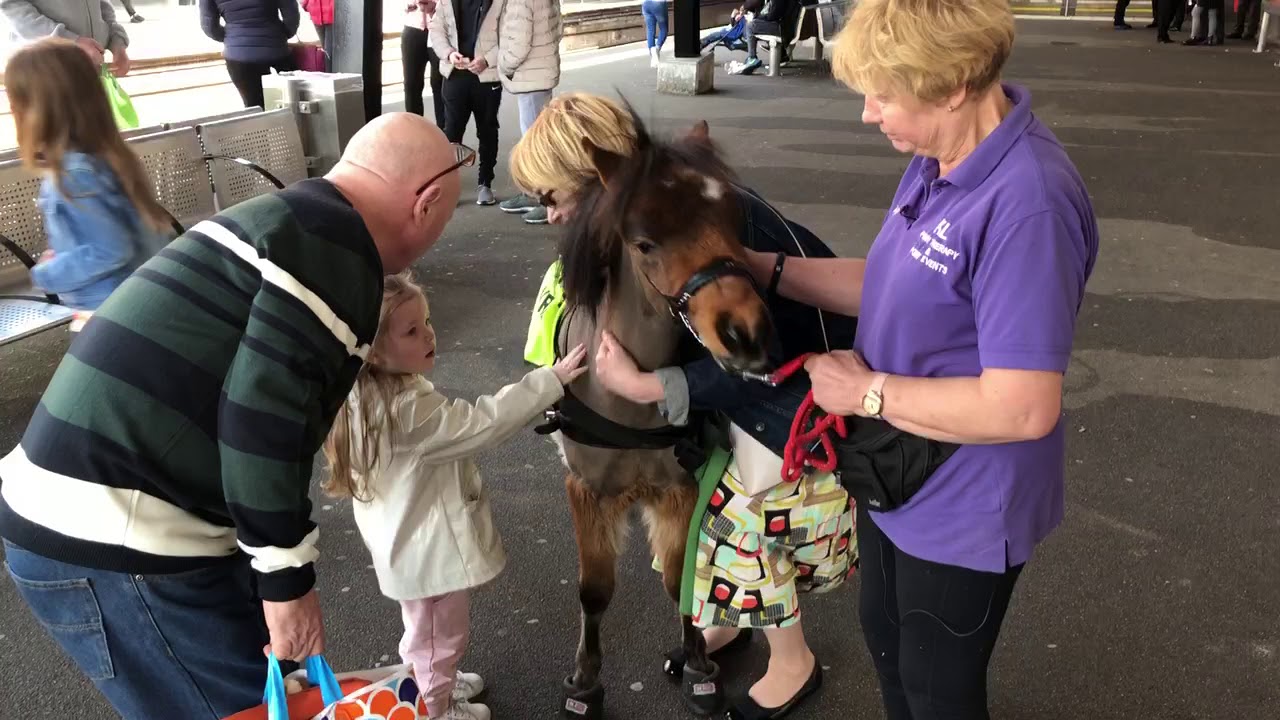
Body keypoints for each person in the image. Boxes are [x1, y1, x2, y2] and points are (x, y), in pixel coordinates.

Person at [0, 113, 467, 720]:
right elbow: (264, 419)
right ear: (427, 204)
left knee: (257, 698)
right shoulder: (338, 259)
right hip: (117, 539)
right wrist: (286, 581)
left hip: (90, 513)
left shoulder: (292, 220)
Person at [509, 92, 860, 720]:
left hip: (795, 395)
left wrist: (656, 390)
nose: (552, 215)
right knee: (711, 521)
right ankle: (731, 613)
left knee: (750, 521)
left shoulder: (695, 220)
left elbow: (752, 355)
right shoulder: (654, 213)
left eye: (553, 198)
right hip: (759, 384)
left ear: (601, 182)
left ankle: (793, 660)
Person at [797, 1, 1097, 717]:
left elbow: (1022, 407)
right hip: (899, 472)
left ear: (954, 84)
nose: (870, 114)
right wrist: (764, 267)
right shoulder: (941, 157)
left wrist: (864, 393)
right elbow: (892, 281)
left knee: (938, 694)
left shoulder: (1029, 202)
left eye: (884, 96)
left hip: (965, 497)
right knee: (889, 649)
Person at [323, 275, 587, 720]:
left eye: (426, 321)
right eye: (411, 331)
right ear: (372, 350)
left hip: (406, 544)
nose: (429, 334)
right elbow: (481, 423)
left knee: (426, 631)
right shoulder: (407, 410)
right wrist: (549, 381)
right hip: (427, 553)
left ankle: (430, 677)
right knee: (440, 637)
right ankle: (432, 702)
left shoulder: (363, 393)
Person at [5, 39, 171, 330]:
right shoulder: (109, 157)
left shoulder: (74, 175)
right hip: (139, 299)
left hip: (109, 312)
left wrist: (47, 273)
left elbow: (110, 249)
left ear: (33, 111)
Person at [431, 0, 506, 206]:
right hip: (455, 74)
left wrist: (487, 59)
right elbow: (436, 30)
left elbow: (509, 35)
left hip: (487, 75)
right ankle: (448, 186)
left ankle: (485, 184)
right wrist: (448, 53)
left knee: (487, 129)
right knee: (452, 132)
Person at [495, 0, 562, 224]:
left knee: (536, 145)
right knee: (540, 139)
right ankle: (533, 193)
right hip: (540, 72)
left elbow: (519, 43)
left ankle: (547, 201)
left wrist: (503, 64)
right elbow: (558, 29)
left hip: (530, 75)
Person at [199, 0, 301, 109]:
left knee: (255, 107)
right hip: (277, 50)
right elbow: (291, 15)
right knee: (293, 102)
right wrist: (281, 35)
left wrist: (232, 38)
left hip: (239, 57)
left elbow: (209, 26)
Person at [1, 0, 132, 76]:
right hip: (45, 71)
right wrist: (70, 41)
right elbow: (13, 7)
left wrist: (117, 44)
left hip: (91, 71)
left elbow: (102, 5)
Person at [402, 0, 446, 126]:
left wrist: (436, 3)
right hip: (413, 30)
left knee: (440, 83)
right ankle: (415, 131)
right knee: (411, 84)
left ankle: (444, 135)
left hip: (440, 27)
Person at [731, 0, 797, 76]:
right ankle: (753, 57)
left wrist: (756, 18)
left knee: (750, 26)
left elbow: (772, 15)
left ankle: (752, 58)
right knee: (752, 24)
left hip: (781, 28)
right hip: (784, 27)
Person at [300, 0, 333, 68]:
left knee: (327, 50)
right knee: (326, 50)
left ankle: (328, 73)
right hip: (319, 11)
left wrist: (305, 4)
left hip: (324, 11)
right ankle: (328, 72)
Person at [641, 0, 667, 67]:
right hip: (658, 3)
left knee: (650, 30)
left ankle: (653, 55)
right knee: (664, 28)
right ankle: (657, 49)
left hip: (645, 4)